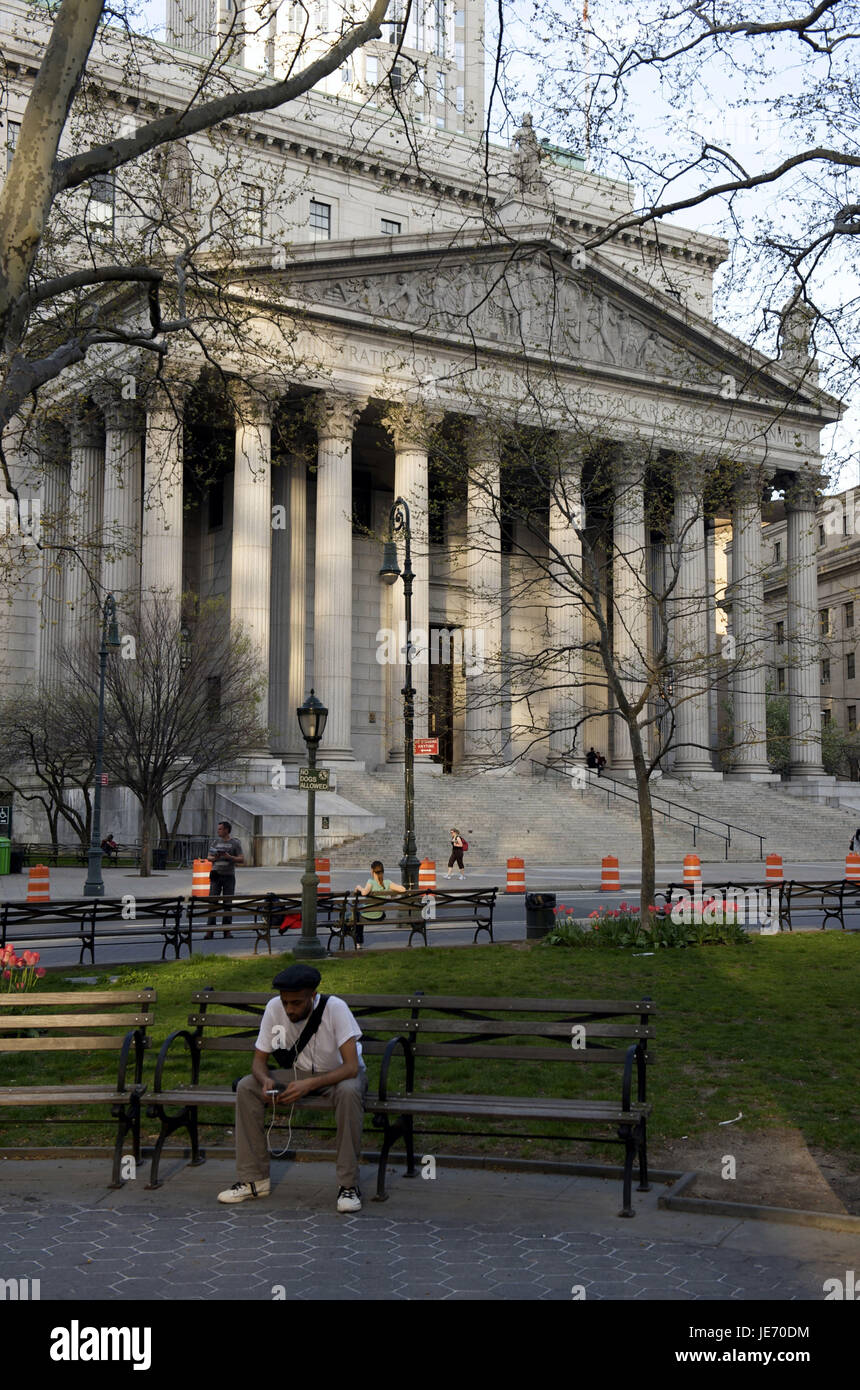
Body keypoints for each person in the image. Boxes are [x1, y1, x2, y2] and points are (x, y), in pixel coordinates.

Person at [217, 964, 367, 1213]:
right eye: (285, 1002)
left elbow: (351, 1067)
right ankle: (254, 1180)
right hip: (299, 1074)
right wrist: (265, 1079)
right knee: (246, 1086)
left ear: (313, 995)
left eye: (296, 1003)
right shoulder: (274, 1008)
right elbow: (258, 1061)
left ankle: (348, 1186)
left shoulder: (335, 1008)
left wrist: (310, 1084)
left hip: (339, 1075)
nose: (289, 1009)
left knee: (350, 1092)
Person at [204, 819, 244, 939]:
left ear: (226, 830)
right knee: (213, 902)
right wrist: (215, 857)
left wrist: (229, 857)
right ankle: (210, 930)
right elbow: (209, 857)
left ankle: (227, 930)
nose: (218, 831)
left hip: (229, 876)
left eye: (220, 829)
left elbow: (241, 859)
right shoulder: (215, 842)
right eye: (218, 829)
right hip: (216, 875)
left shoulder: (235, 843)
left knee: (227, 903)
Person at [353, 860, 405, 949]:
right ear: (383, 871)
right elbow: (403, 889)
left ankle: (359, 942)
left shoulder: (371, 882)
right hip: (380, 916)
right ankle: (358, 941)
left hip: (366, 916)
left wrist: (358, 887)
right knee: (358, 914)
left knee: (356, 915)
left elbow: (364, 893)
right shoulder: (387, 883)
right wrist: (393, 892)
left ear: (372, 871)